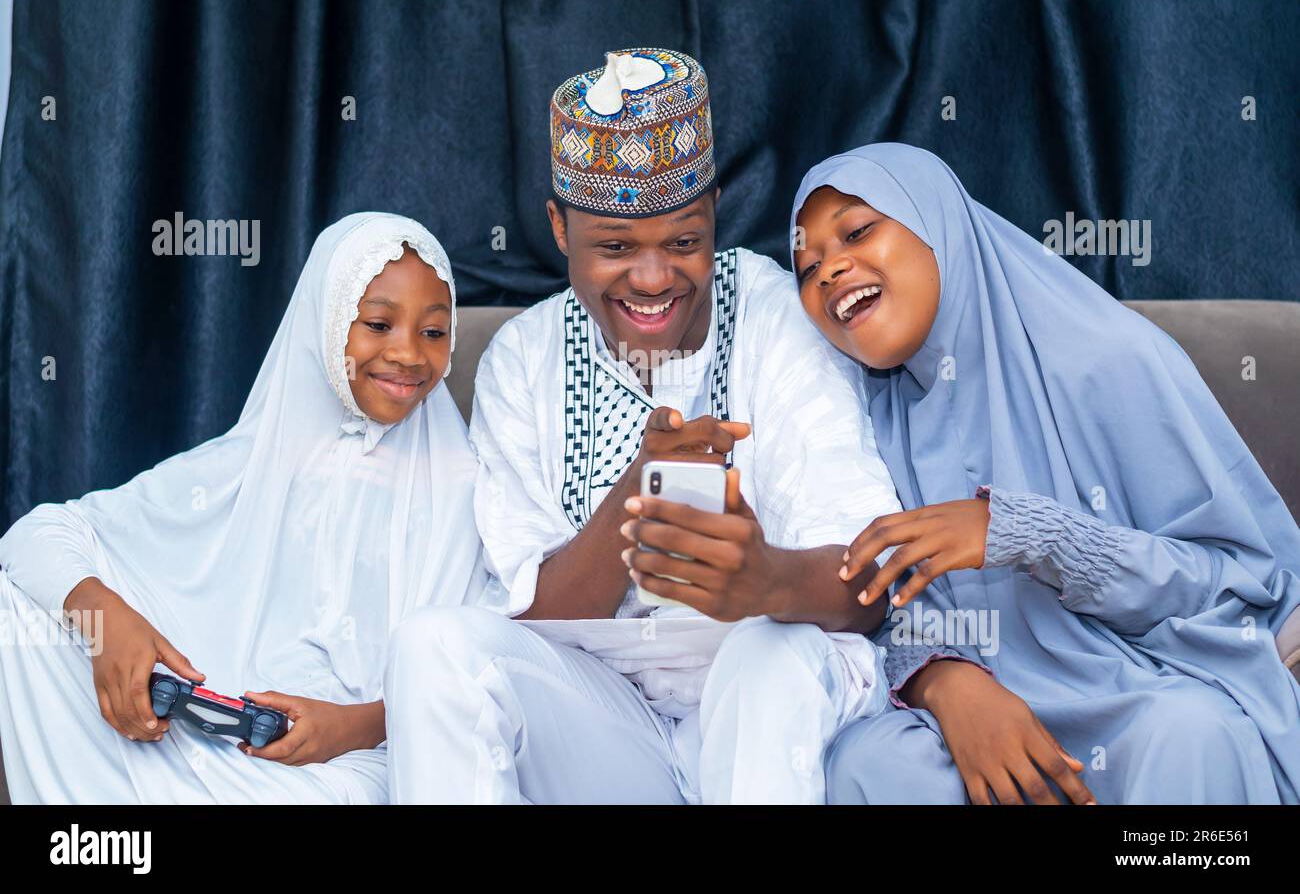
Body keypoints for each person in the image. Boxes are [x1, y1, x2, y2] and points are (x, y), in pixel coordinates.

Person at [383, 48, 917, 804]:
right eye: (614, 247)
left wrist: (761, 576)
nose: (654, 278)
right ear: (559, 230)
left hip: (767, 689)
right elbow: (532, 615)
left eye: (682, 241)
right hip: (610, 712)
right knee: (433, 647)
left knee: (770, 658)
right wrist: (635, 498)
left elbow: (868, 590)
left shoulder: (771, 313)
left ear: (715, 215)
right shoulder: (524, 359)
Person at [789, 142, 1300, 804]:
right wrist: (946, 683)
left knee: (1190, 734)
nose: (830, 270)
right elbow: (877, 612)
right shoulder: (856, 418)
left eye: (857, 231)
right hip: (984, 711)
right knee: (868, 764)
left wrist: (1034, 536)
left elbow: (1241, 584)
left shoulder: (1109, 359)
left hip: (1144, 686)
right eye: (806, 266)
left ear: (941, 223)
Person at [0, 212, 484, 803]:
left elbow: (477, 680)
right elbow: (35, 536)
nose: (408, 354)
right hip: (216, 732)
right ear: (325, 326)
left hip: (358, 762)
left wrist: (351, 728)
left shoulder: (461, 489)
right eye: (379, 324)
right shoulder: (248, 463)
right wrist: (109, 625)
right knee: (22, 609)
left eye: (434, 333)